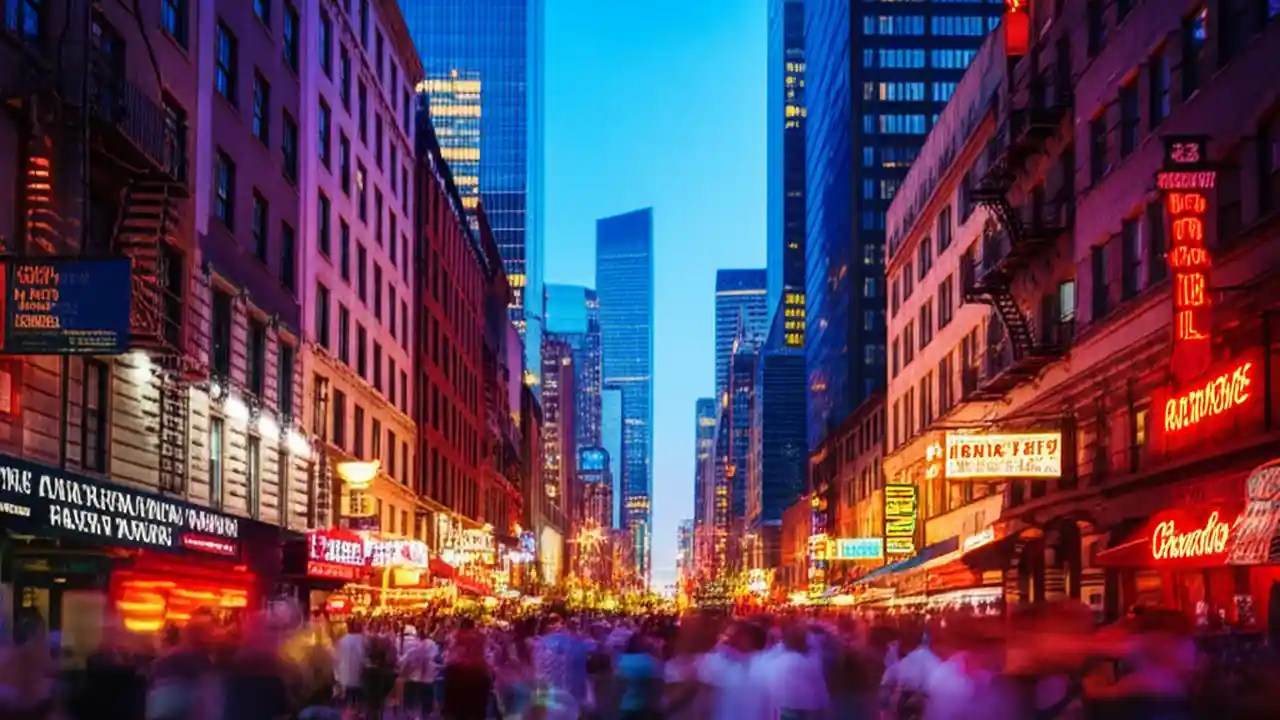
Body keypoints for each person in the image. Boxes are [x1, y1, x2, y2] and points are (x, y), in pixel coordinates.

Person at [440, 617, 491, 720]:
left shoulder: (454, 635)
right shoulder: (482, 636)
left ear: (461, 626)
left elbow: (446, 654)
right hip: (478, 675)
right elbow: (487, 655)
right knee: (477, 711)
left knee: (454, 712)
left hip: (456, 674)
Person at [615, 633, 663, 720]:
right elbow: (658, 684)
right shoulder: (650, 661)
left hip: (625, 705)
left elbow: (617, 682)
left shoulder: (621, 659)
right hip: (645, 707)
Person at [398, 626, 440, 720]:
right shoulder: (432, 645)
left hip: (413, 679)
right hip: (427, 680)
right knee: (425, 706)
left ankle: (412, 715)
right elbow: (436, 658)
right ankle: (424, 715)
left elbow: (404, 662)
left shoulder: (412, 646)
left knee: (411, 703)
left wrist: (402, 673)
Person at [333, 619, 368, 710]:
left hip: (345, 679)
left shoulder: (342, 641)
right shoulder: (364, 640)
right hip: (360, 679)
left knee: (347, 705)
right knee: (359, 705)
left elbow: (336, 660)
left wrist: (337, 677)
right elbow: (365, 659)